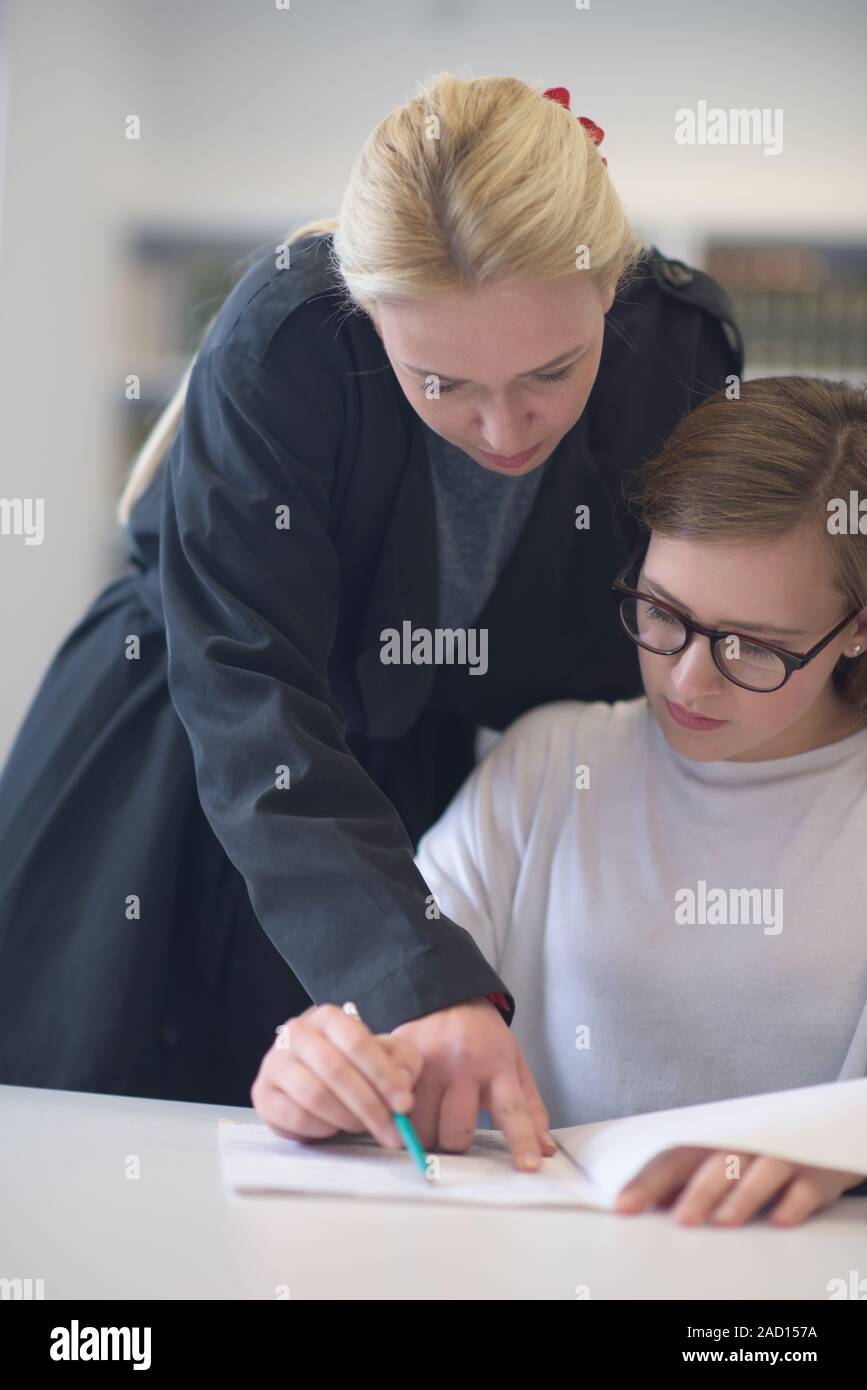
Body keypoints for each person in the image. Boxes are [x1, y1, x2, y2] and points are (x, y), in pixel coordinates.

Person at [0, 74, 741, 1171]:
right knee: (100, 1142)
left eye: (551, 370)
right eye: (440, 381)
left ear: (612, 287)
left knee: (378, 1157)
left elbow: (650, 643)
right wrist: (415, 970)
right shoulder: (289, 336)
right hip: (193, 747)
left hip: (427, 772)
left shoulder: (676, 348)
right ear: (365, 310)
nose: (501, 428)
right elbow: (244, 682)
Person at [263, 376, 867, 1225]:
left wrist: (839, 1146)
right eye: (663, 613)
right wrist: (326, 1073)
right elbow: (395, 1016)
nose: (686, 681)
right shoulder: (552, 762)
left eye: (753, 647)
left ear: (856, 628)